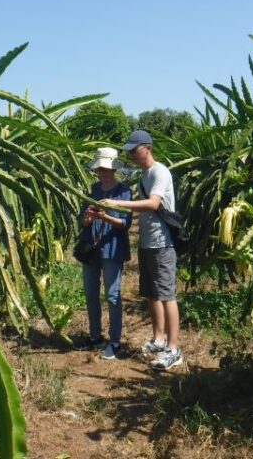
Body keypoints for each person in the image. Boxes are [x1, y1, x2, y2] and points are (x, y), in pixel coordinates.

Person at [102, 130, 182, 370]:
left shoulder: (160, 171)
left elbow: (153, 204)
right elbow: (138, 208)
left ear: (147, 147)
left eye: (134, 151)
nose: (131, 155)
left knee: (167, 294)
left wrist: (116, 202)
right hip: (147, 243)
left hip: (162, 243)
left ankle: (173, 349)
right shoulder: (143, 176)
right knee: (151, 293)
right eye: (129, 152)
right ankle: (159, 339)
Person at [78, 147, 132, 359]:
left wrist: (106, 216)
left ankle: (115, 342)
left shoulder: (124, 192)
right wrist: (89, 218)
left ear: (114, 170)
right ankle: (94, 336)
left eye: (107, 169)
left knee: (112, 295)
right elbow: (81, 221)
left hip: (113, 249)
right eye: (101, 169)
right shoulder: (92, 191)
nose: (104, 172)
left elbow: (125, 224)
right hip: (91, 248)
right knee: (91, 294)